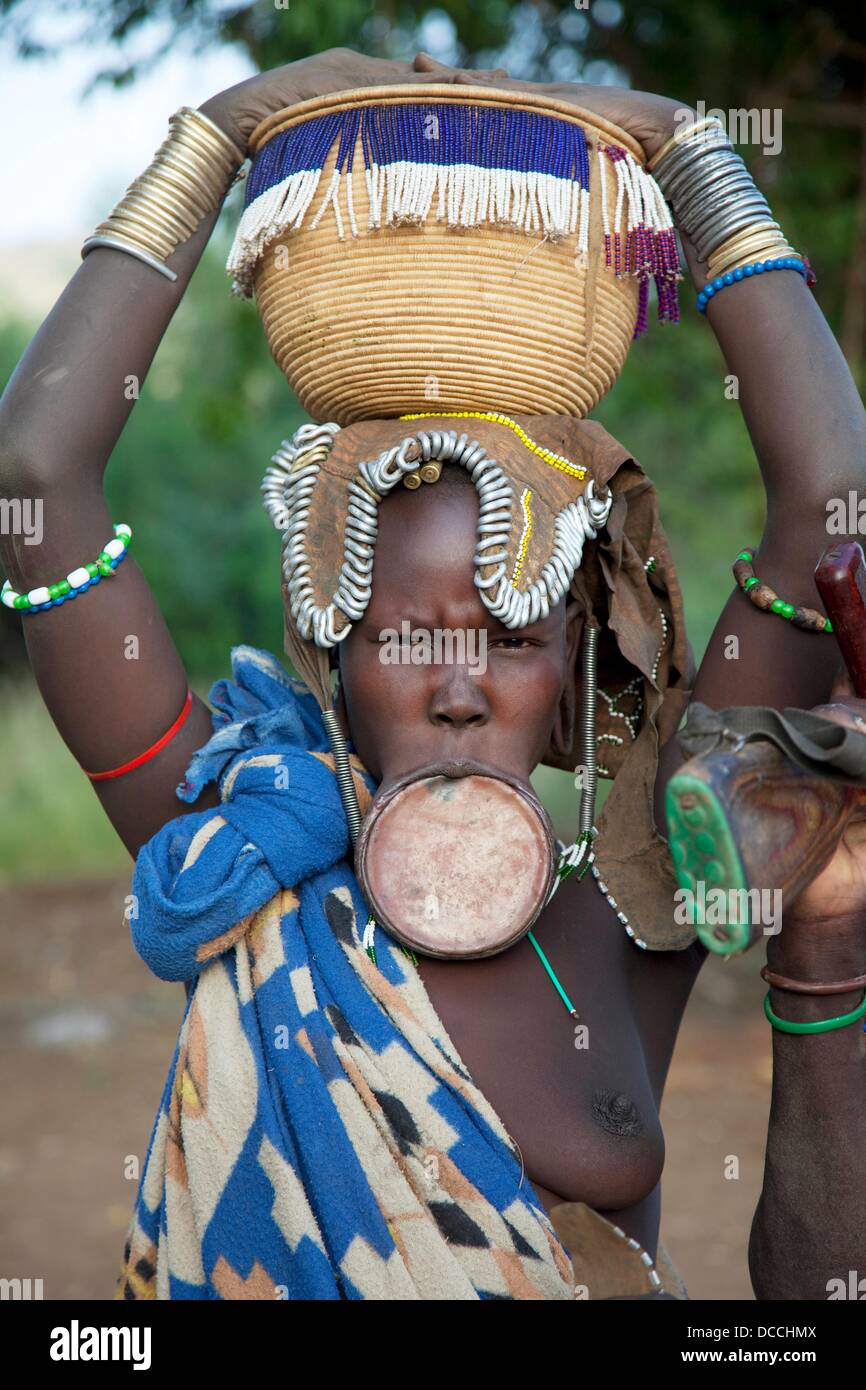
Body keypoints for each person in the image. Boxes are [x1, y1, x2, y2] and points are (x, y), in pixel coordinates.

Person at [2, 48, 866, 1302]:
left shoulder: (644, 888)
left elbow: (829, 501)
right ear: (332, 655)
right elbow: (34, 477)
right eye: (404, 636)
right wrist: (221, 136)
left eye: (511, 635)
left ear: (579, 666)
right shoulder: (234, 853)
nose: (457, 687)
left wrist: (687, 152)